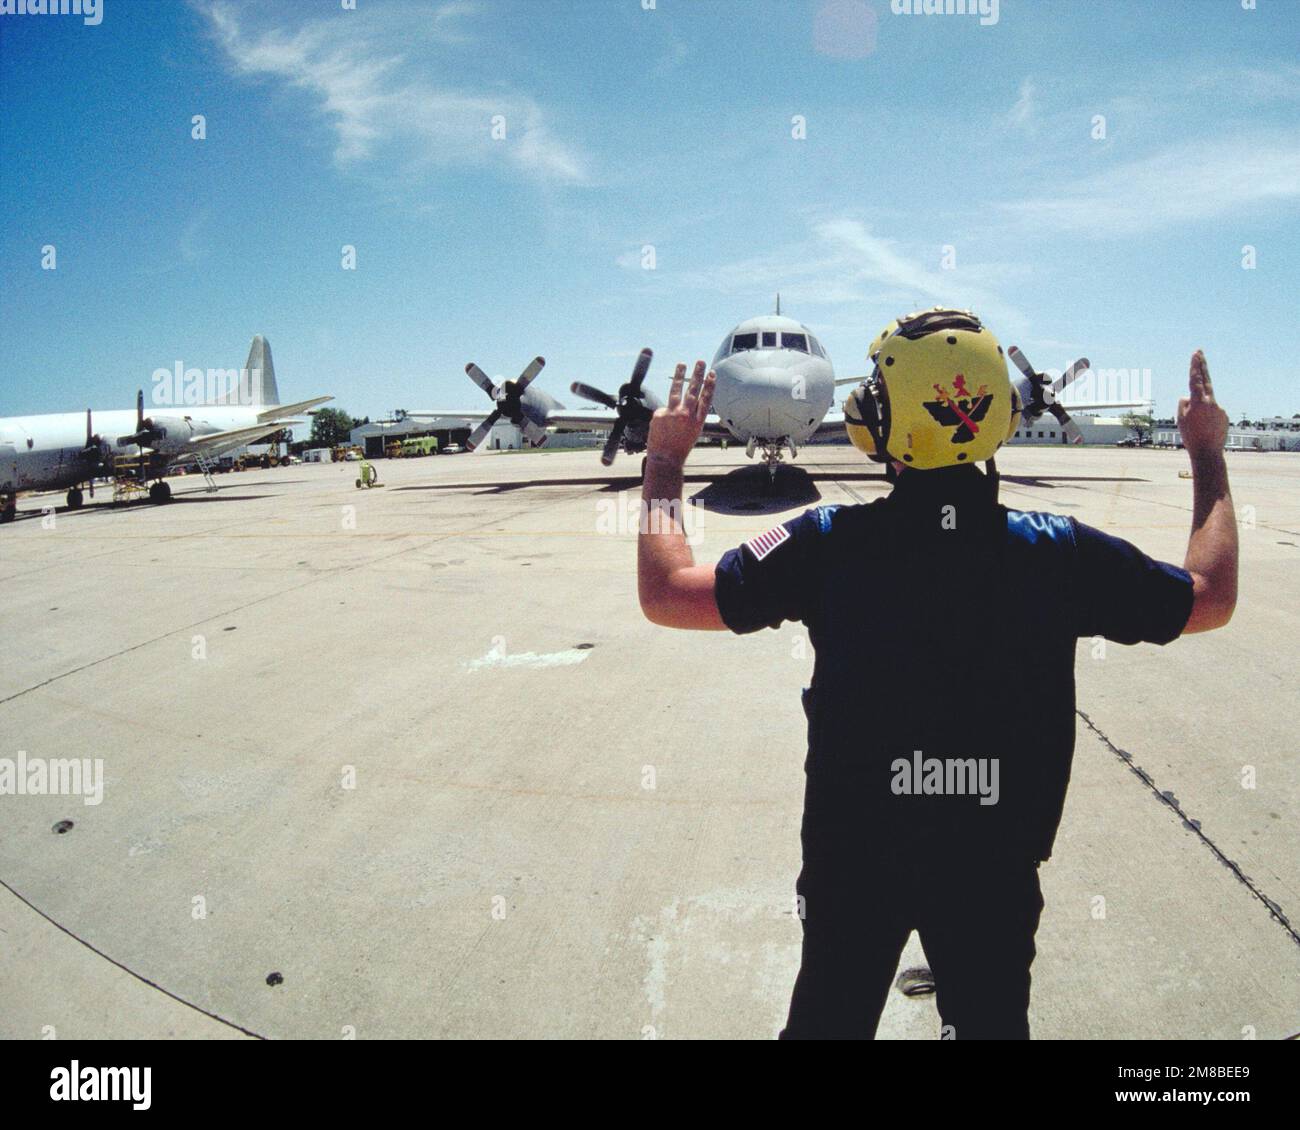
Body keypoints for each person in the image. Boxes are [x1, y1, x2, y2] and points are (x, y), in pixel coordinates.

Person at [636, 308, 1237, 1039]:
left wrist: (664, 464)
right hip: (995, 866)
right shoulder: (1058, 552)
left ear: (880, 423)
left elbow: (668, 595)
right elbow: (1210, 599)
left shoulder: (825, 543)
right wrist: (1208, 455)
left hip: (853, 863)